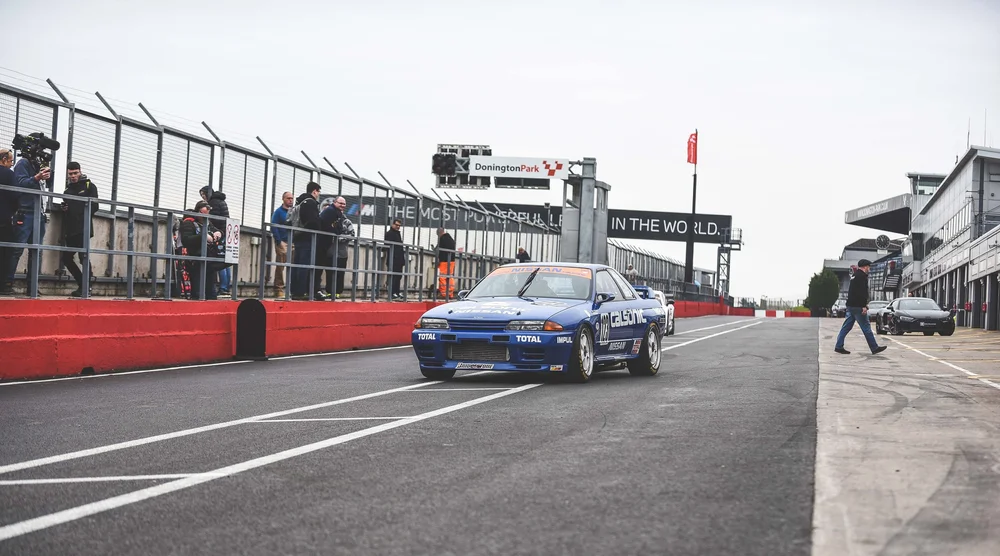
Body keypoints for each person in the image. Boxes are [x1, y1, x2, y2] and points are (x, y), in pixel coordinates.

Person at [7, 146, 51, 292]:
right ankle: (7, 283)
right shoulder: (23, 163)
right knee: (16, 249)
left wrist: (46, 177)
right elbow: (19, 184)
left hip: (40, 213)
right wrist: (36, 177)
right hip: (25, 212)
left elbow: (45, 188)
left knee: (36, 251)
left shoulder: (38, 165)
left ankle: (32, 287)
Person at [60, 162, 99, 297]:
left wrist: (80, 214)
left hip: (84, 228)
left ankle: (86, 287)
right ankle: (84, 284)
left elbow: (95, 206)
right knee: (66, 258)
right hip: (71, 229)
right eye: (70, 174)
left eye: (75, 173)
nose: (73, 176)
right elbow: (67, 208)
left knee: (83, 257)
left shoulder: (89, 186)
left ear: (80, 172)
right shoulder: (67, 190)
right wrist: (65, 209)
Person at [834, 258, 887, 355]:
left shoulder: (854, 276)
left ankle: (838, 346)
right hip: (858, 307)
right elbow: (861, 292)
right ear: (865, 267)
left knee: (846, 327)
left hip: (850, 306)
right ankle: (874, 348)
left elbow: (853, 292)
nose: (869, 269)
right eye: (868, 267)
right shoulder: (862, 276)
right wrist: (863, 306)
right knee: (866, 327)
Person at [290, 182, 328, 300]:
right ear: (315, 191)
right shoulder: (310, 202)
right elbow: (313, 222)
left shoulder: (300, 201)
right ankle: (300, 292)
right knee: (304, 265)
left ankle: (295, 291)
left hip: (297, 236)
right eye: (318, 192)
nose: (318, 195)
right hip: (307, 238)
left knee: (297, 264)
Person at [179, 200, 222, 300]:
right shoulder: (189, 223)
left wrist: (219, 233)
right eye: (203, 213)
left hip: (209, 259)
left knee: (211, 292)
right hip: (196, 260)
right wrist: (202, 237)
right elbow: (186, 240)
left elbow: (216, 230)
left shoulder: (208, 223)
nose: (205, 216)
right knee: (198, 292)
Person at [200, 186, 231, 295]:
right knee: (226, 260)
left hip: (219, 232)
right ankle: (226, 286)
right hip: (226, 231)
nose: (203, 197)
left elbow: (213, 219)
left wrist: (213, 232)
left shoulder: (213, 202)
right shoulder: (221, 201)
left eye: (203, 195)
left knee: (219, 260)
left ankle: (222, 287)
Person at [0, 149, 18, 295]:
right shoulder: (8, 174)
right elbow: (14, 196)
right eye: (11, 161)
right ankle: (3, 286)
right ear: (4, 159)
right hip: (4, 219)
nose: (12, 164)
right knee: (6, 252)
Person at [270, 191, 292, 290]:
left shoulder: (293, 211)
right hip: (283, 241)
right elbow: (273, 226)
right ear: (283, 199)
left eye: (292, 198)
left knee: (293, 265)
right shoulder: (278, 212)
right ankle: (278, 286)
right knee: (281, 265)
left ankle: (292, 287)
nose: (290, 200)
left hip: (293, 241)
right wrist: (278, 241)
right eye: (288, 198)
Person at [384, 219, 405, 300]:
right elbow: (387, 245)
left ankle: (396, 292)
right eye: (396, 225)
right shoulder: (389, 233)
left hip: (399, 259)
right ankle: (393, 293)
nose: (398, 227)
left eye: (399, 225)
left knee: (398, 276)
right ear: (392, 224)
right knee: (393, 277)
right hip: (393, 258)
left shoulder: (397, 234)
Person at [436, 227, 456, 298]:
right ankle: (450, 293)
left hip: (444, 261)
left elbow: (439, 250)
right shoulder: (451, 239)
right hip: (452, 261)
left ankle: (444, 293)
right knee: (450, 276)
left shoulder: (442, 239)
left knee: (442, 277)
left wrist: (438, 259)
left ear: (439, 233)